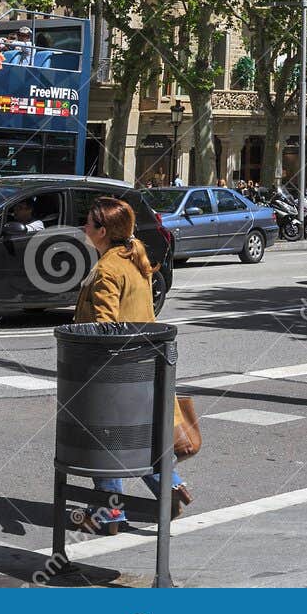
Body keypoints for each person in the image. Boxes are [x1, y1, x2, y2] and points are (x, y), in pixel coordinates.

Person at [73, 196, 193, 534]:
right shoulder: (134, 256)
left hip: (111, 371)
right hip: (142, 364)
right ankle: (170, 487)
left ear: (103, 231)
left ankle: (109, 515)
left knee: (106, 441)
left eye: (89, 222)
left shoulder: (108, 269)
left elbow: (106, 328)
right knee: (135, 440)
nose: (84, 226)